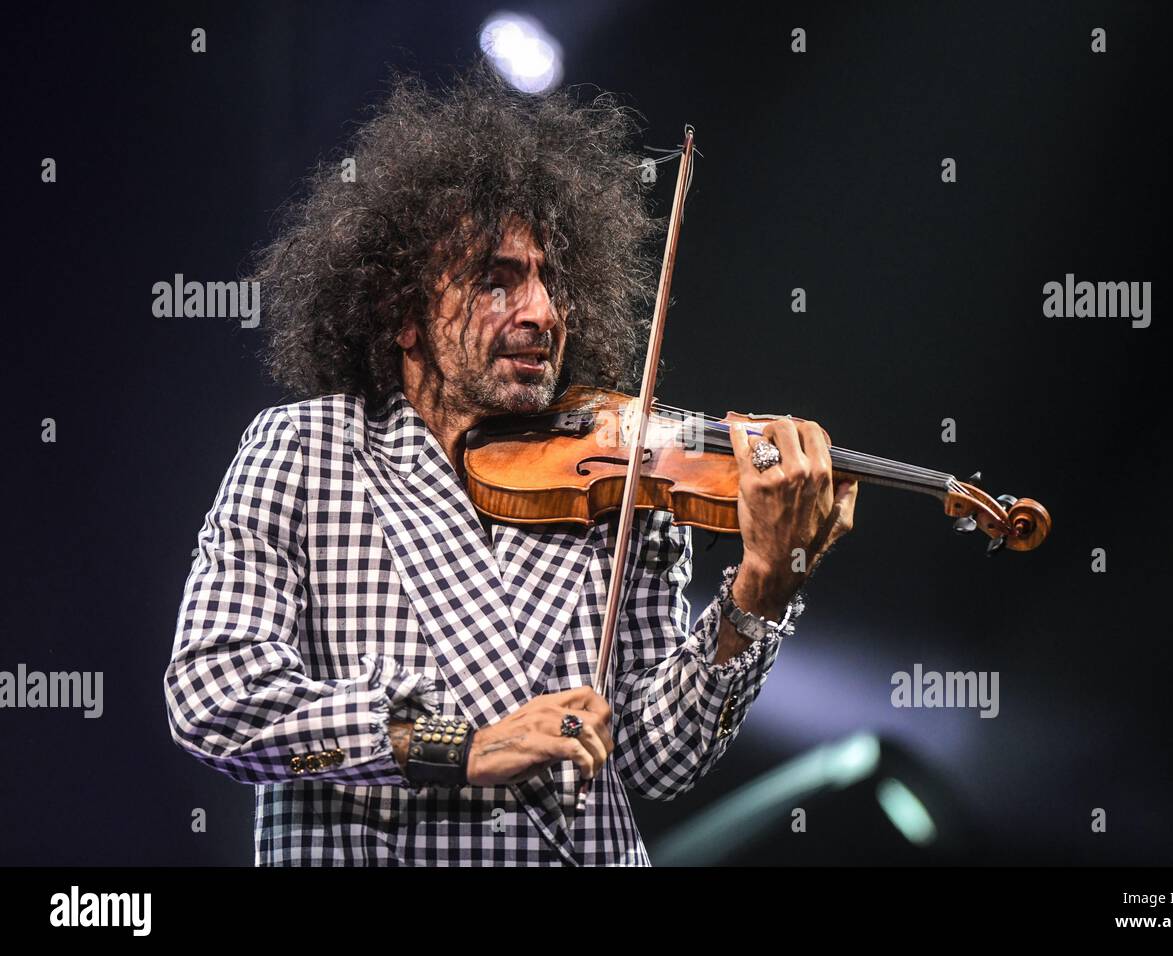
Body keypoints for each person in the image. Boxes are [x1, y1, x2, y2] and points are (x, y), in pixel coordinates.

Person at [164, 62, 857, 866]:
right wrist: (458, 745)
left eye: (549, 281)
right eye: (496, 282)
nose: (542, 312)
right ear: (401, 316)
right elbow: (213, 703)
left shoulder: (615, 479)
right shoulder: (307, 449)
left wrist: (764, 584)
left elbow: (656, 758)